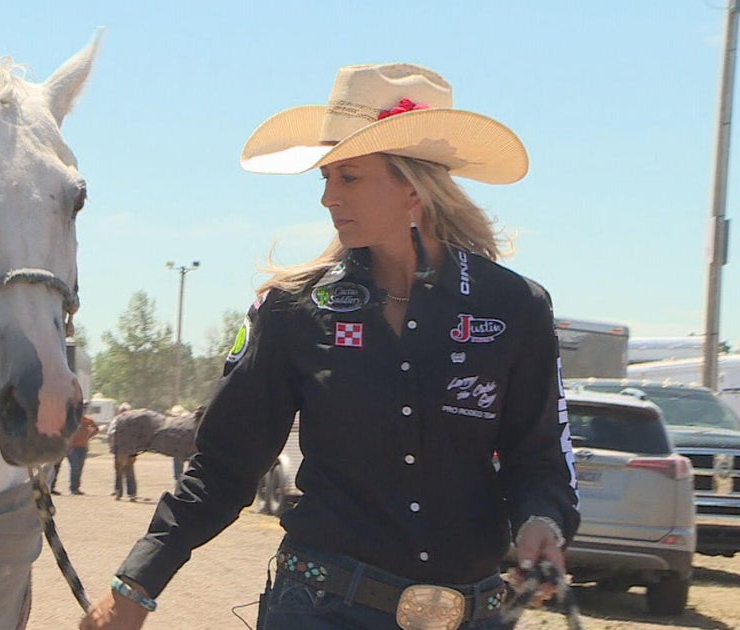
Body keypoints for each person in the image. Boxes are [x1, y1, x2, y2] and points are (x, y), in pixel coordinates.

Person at [81, 63, 579, 630]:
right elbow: (224, 467)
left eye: (348, 177)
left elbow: (539, 460)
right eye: (326, 178)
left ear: (414, 187)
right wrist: (136, 585)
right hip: (322, 610)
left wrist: (543, 522)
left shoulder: (515, 308)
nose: (326, 197)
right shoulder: (293, 311)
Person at [107, 403, 139, 501]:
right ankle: (132, 493)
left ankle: (118, 492)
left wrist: (112, 447)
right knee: (130, 470)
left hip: (120, 449)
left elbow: (110, 434)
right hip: (131, 449)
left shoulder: (116, 420)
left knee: (119, 471)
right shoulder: (134, 422)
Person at [68, 406, 100, 495]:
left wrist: (88, 437)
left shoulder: (88, 421)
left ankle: (76, 487)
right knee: (75, 466)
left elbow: (96, 429)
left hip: (82, 447)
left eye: (84, 409)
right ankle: (73, 488)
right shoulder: (72, 420)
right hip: (73, 447)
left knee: (80, 467)